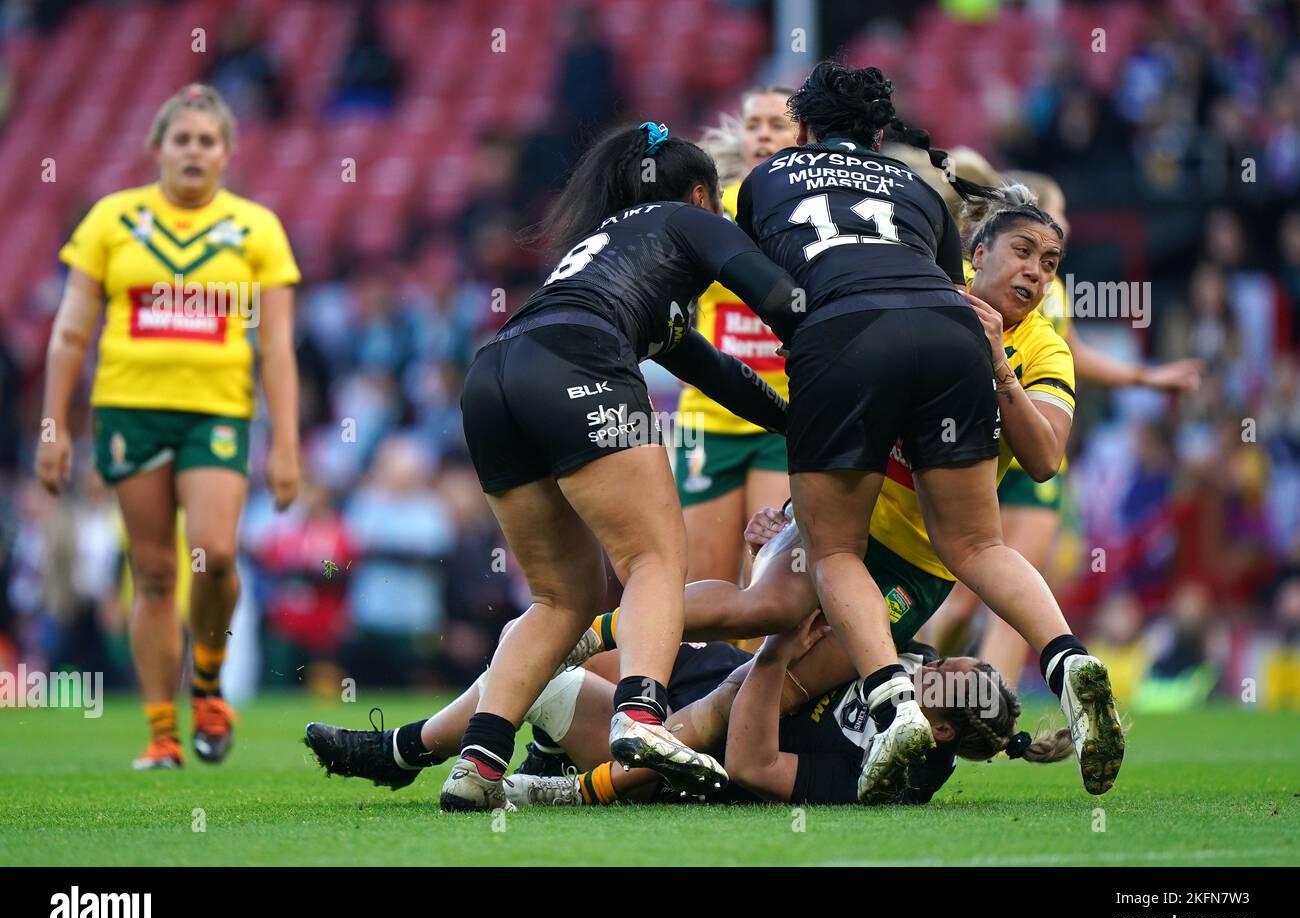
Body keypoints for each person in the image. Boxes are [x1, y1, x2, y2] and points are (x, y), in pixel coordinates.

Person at [735, 61, 1121, 801]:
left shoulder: (1041, 344)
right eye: (1025, 254)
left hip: (886, 505)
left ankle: (889, 701)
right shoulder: (919, 198)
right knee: (979, 545)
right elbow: (923, 294)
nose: (1038, 274)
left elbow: (768, 280)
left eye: (1050, 263)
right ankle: (1065, 657)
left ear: (805, 127)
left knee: (813, 573)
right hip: (932, 420)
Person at [439, 122, 802, 811]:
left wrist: (795, 422)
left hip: (495, 376)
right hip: (580, 366)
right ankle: (639, 719)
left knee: (561, 597)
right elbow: (779, 297)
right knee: (656, 562)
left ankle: (477, 766)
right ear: (702, 193)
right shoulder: (689, 220)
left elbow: (718, 372)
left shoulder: (605, 250)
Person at [36, 84, 301, 768]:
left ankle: (208, 684)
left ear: (226, 152)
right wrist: (53, 427)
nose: (193, 151)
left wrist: (288, 444)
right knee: (153, 571)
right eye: (180, 139)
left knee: (212, 552)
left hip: (216, 413)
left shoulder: (256, 229)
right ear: (156, 148)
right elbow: (70, 334)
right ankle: (161, 733)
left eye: (206, 140)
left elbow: (276, 346)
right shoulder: (111, 220)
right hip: (129, 413)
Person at [305, 614, 1069, 808]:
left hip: (685, 742)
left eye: (944, 679)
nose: (926, 667)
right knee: (531, 646)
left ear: (939, 732)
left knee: (526, 656)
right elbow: (792, 638)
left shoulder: (895, 773)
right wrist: (770, 572)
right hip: (709, 677)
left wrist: (769, 656)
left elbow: (753, 765)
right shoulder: (901, 665)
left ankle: (404, 754)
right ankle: (425, 754)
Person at [924, 170, 1203, 685]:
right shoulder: (955, 280)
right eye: (1053, 215)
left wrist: (1142, 377)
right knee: (960, 596)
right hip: (964, 450)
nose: (1060, 232)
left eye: (1049, 257)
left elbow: (1068, 357)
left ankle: (991, 709)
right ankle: (933, 681)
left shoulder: (1048, 299)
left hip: (1027, 441)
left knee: (1013, 594)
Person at [678, 87, 798, 589]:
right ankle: (704, 671)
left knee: (766, 576)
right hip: (709, 418)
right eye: (753, 124)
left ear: (803, 135)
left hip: (784, 418)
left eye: (776, 124)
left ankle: (755, 672)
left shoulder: (814, 214)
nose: (763, 134)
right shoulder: (708, 209)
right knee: (703, 580)